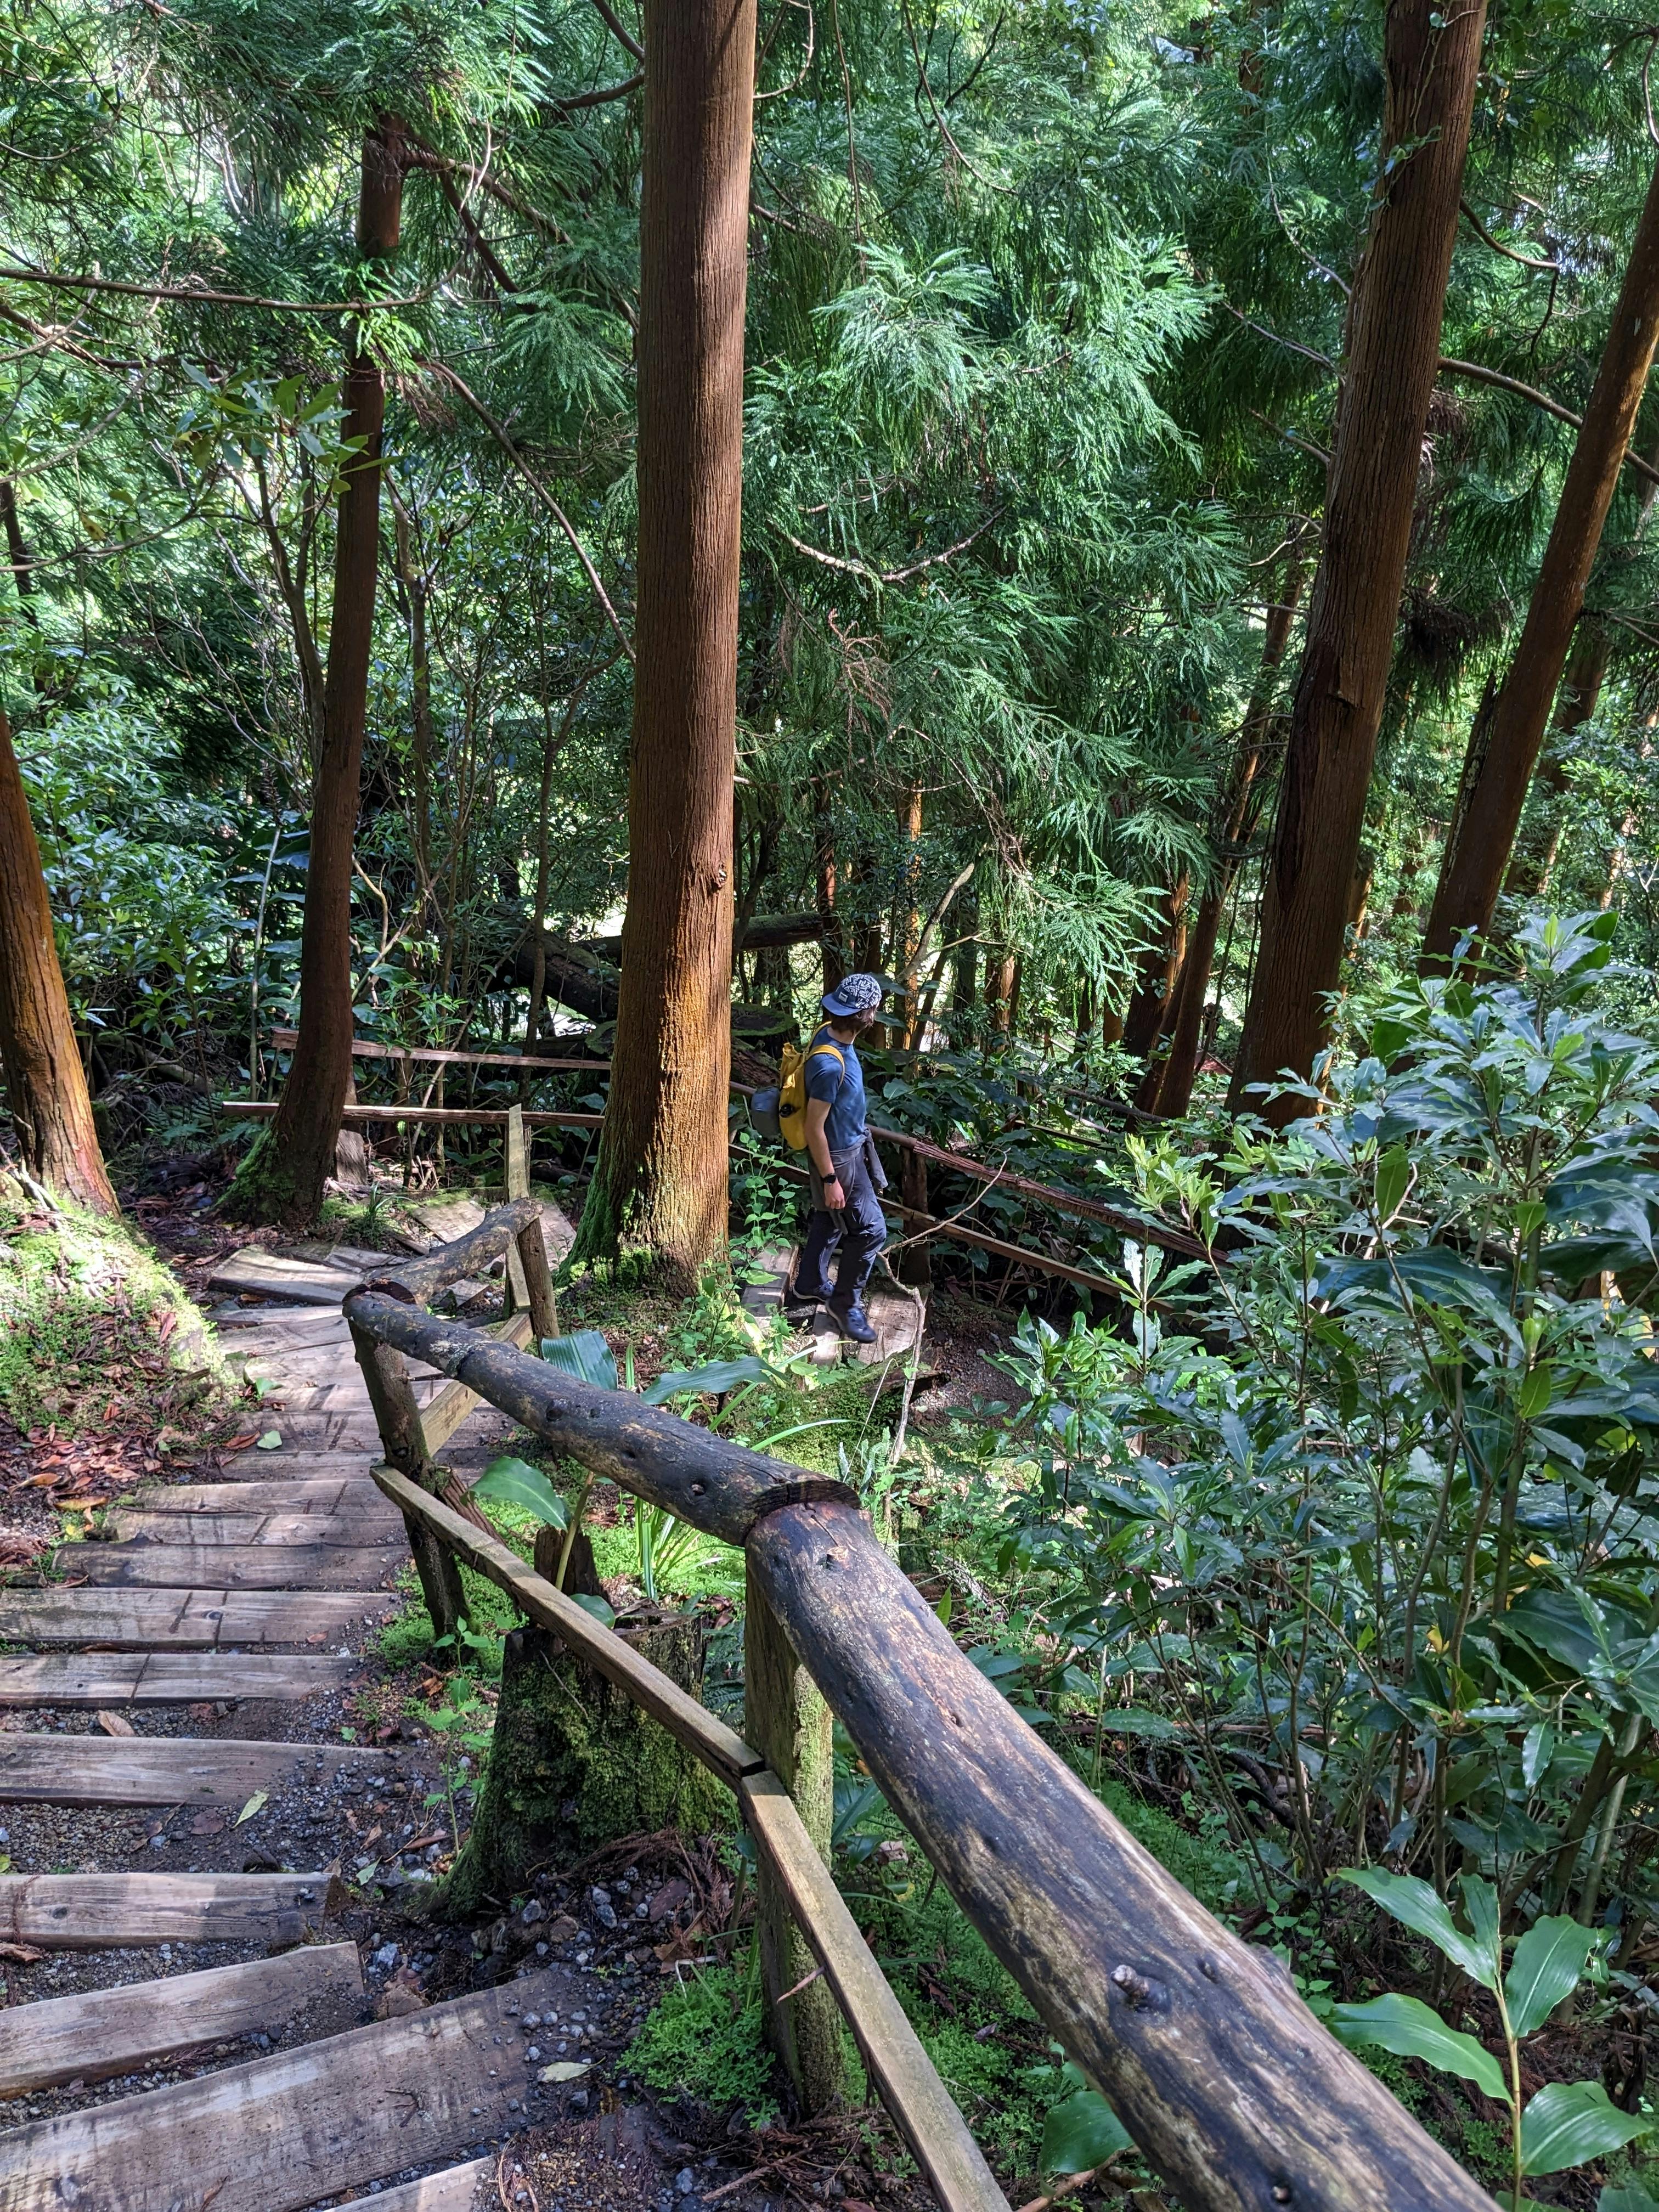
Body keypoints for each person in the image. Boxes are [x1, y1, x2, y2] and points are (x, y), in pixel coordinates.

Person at [785, 972, 889, 1344]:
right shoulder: (830, 1066)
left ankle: (810, 1282)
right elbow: (815, 1128)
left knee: (832, 1217)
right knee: (871, 1230)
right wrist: (830, 1180)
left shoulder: (828, 1034)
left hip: (847, 1146)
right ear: (866, 1016)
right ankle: (845, 1305)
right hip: (839, 1156)